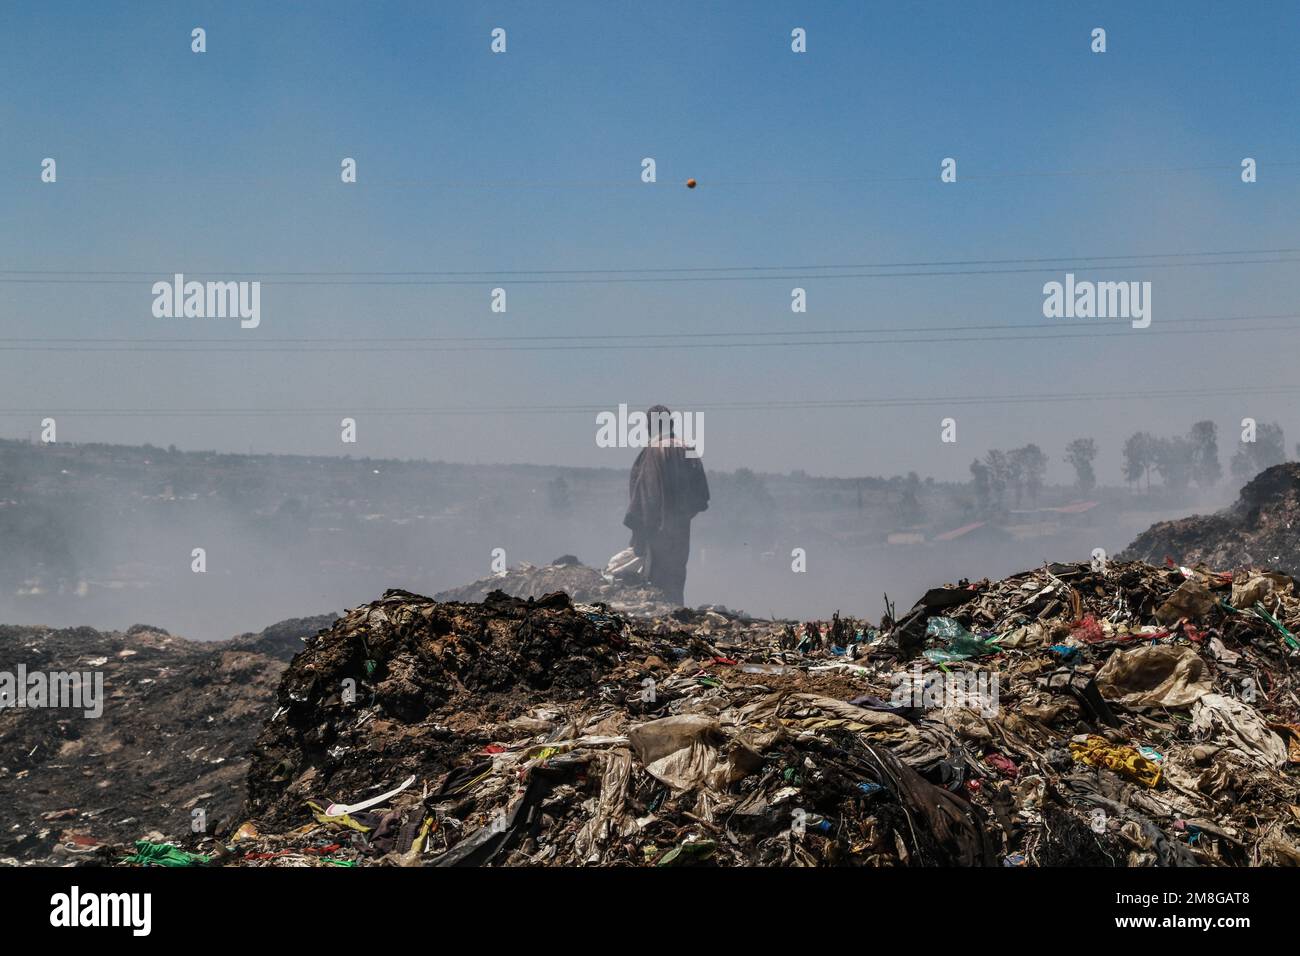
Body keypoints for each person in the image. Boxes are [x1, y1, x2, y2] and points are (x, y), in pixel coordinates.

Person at [623, 405, 709, 605]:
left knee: (656, 581)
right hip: (680, 529)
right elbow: (701, 496)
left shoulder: (652, 452)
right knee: (677, 576)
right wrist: (681, 517)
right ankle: (676, 615)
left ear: (651, 426)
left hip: (656, 531)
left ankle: (665, 621)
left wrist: (641, 532)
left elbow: (646, 495)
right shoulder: (688, 448)